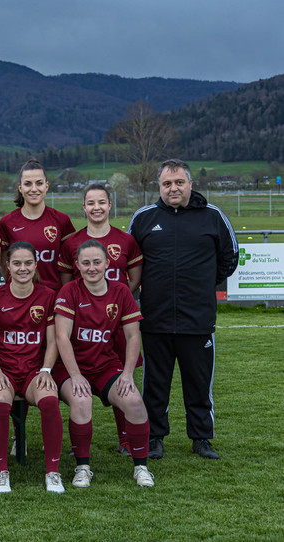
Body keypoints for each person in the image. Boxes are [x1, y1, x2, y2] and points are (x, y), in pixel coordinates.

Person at [129, 159, 238, 460]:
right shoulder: (144, 218)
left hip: (197, 319)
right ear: (159, 186)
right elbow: (130, 262)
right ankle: (154, 438)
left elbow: (230, 259)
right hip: (155, 319)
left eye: (179, 182)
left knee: (199, 384)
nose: (173, 188)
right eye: (167, 183)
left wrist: (202, 285)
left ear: (190, 184)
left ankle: (201, 438)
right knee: (155, 384)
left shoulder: (213, 217)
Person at [53, 240, 155, 488]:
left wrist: (128, 374)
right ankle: (83, 467)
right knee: (81, 400)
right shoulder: (69, 292)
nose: (91, 267)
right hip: (70, 368)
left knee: (134, 402)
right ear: (76, 265)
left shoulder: (121, 291)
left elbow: (132, 336)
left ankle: (141, 467)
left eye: (97, 262)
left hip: (105, 366)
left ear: (108, 263)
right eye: (85, 263)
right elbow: (61, 337)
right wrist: (76, 376)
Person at [58, 183, 143, 456]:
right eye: (91, 203)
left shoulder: (126, 240)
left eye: (102, 202)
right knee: (79, 384)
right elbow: (66, 282)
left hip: (115, 322)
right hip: (83, 322)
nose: (96, 207)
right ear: (84, 207)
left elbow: (136, 277)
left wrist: (115, 304)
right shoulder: (70, 242)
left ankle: (126, 439)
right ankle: (78, 445)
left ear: (109, 206)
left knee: (122, 380)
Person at [0, 241, 65, 494]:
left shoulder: (48, 296)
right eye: (16, 263)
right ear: (7, 266)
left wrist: (46, 370)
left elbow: (53, 341)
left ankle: (53, 472)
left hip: (33, 371)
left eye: (28, 263)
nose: (22, 268)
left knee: (49, 401)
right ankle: (1, 472)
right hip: (3, 369)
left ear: (36, 265)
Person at [0, 158, 75, 291]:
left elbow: (68, 264)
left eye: (39, 183)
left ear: (47, 185)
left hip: (53, 297)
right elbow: (3, 264)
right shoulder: (6, 223)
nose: (34, 189)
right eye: (28, 184)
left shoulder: (62, 220)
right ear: (20, 187)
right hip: (20, 297)